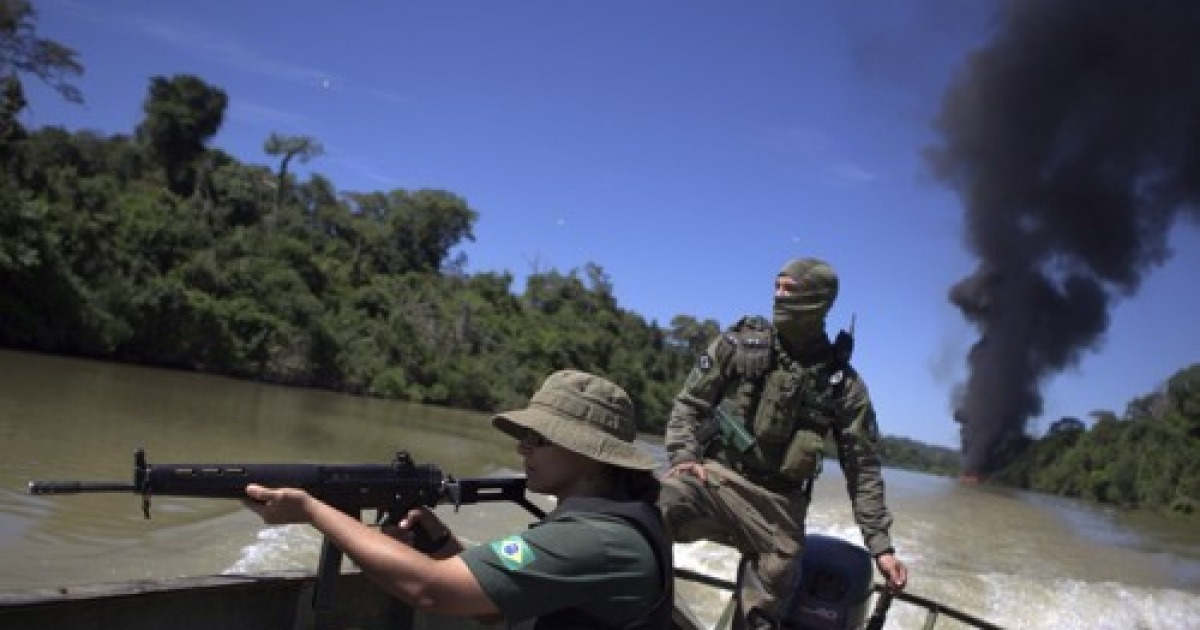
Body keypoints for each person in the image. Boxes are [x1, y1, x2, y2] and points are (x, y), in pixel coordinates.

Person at [245, 369, 673, 629]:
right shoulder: (602, 527)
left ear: (590, 456)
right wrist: (440, 545)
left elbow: (431, 590)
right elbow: (493, 606)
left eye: (537, 438)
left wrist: (311, 510)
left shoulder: (592, 541)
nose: (522, 448)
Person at [659, 257, 908, 630]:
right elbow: (689, 404)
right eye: (777, 287)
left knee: (770, 595)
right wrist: (683, 456)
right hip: (716, 479)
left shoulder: (845, 387)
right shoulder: (738, 344)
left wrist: (881, 546)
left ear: (818, 300)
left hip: (778, 509)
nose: (779, 297)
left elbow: (863, 468)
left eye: (789, 290)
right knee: (647, 510)